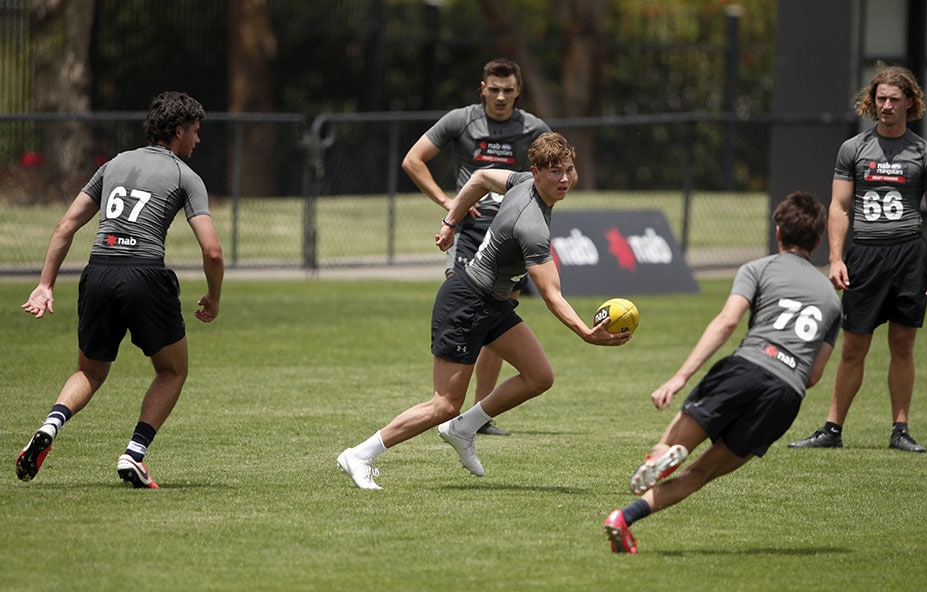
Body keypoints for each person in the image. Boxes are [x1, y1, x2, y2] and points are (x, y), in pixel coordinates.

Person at [339, 132, 629, 490]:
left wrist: (450, 222)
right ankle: (360, 454)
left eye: (569, 170)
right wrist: (585, 333)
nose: (565, 179)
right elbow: (551, 294)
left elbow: (479, 178)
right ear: (536, 172)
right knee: (444, 405)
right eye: (555, 172)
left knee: (539, 376)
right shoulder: (531, 225)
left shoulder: (521, 182)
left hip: (493, 303)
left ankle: (463, 428)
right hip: (467, 302)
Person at [603, 192, 842, 554]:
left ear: (778, 232)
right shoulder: (831, 299)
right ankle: (624, 518)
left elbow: (727, 321)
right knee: (700, 474)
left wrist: (680, 377)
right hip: (785, 394)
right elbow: (813, 376)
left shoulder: (759, 269)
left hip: (746, 367)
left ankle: (662, 456)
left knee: (674, 441)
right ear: (819, 239)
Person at [15, 91, 224, 489]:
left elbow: (65, 227)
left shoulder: (113, 164)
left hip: (98, 272)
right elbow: (212, 252)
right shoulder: (186, 176)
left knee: (89, 370)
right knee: (172, 370)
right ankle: (134, 454)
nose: (198, 140)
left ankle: (49, 426)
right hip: (145, 275)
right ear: (178, 132)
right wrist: (214, 295)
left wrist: (45, 285)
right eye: (195, 131)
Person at [787, 62, 927, 453]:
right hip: (865, 255)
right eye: (881, 99)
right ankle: (832, 429)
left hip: (910, 256)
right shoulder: (853, 149)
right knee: (853, 346)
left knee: (903, 345)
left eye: (894, 99)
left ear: (910, 103)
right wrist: (836, 258)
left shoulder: (926, 154)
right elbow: (839, 208)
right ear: (872, 102)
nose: (887, 106)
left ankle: (900, 431)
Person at [402, 58, 551, 437]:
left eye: (508, 90)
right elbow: (413, 160)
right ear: (482, 89)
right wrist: (449, 204)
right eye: (494, 89)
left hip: (510, 239)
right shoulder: (461, 120)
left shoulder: (533, 128)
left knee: (496, 317)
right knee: (468, 310)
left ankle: (478, 415)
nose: (500, 97)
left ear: (519, 91)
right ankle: (445, 402)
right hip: (469, 234)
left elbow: (563, 168)